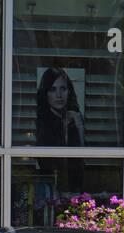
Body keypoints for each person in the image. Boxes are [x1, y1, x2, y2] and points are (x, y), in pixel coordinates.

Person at [35, 67, 86, 199]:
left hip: (74, 188)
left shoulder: (74, 119)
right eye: (53, 89)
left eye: (63, 89)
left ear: (69, 91)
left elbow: (81, 158)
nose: (59, 95)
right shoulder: (43, 122)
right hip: (49, 189)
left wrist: (78, 125)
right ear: (45, 93)